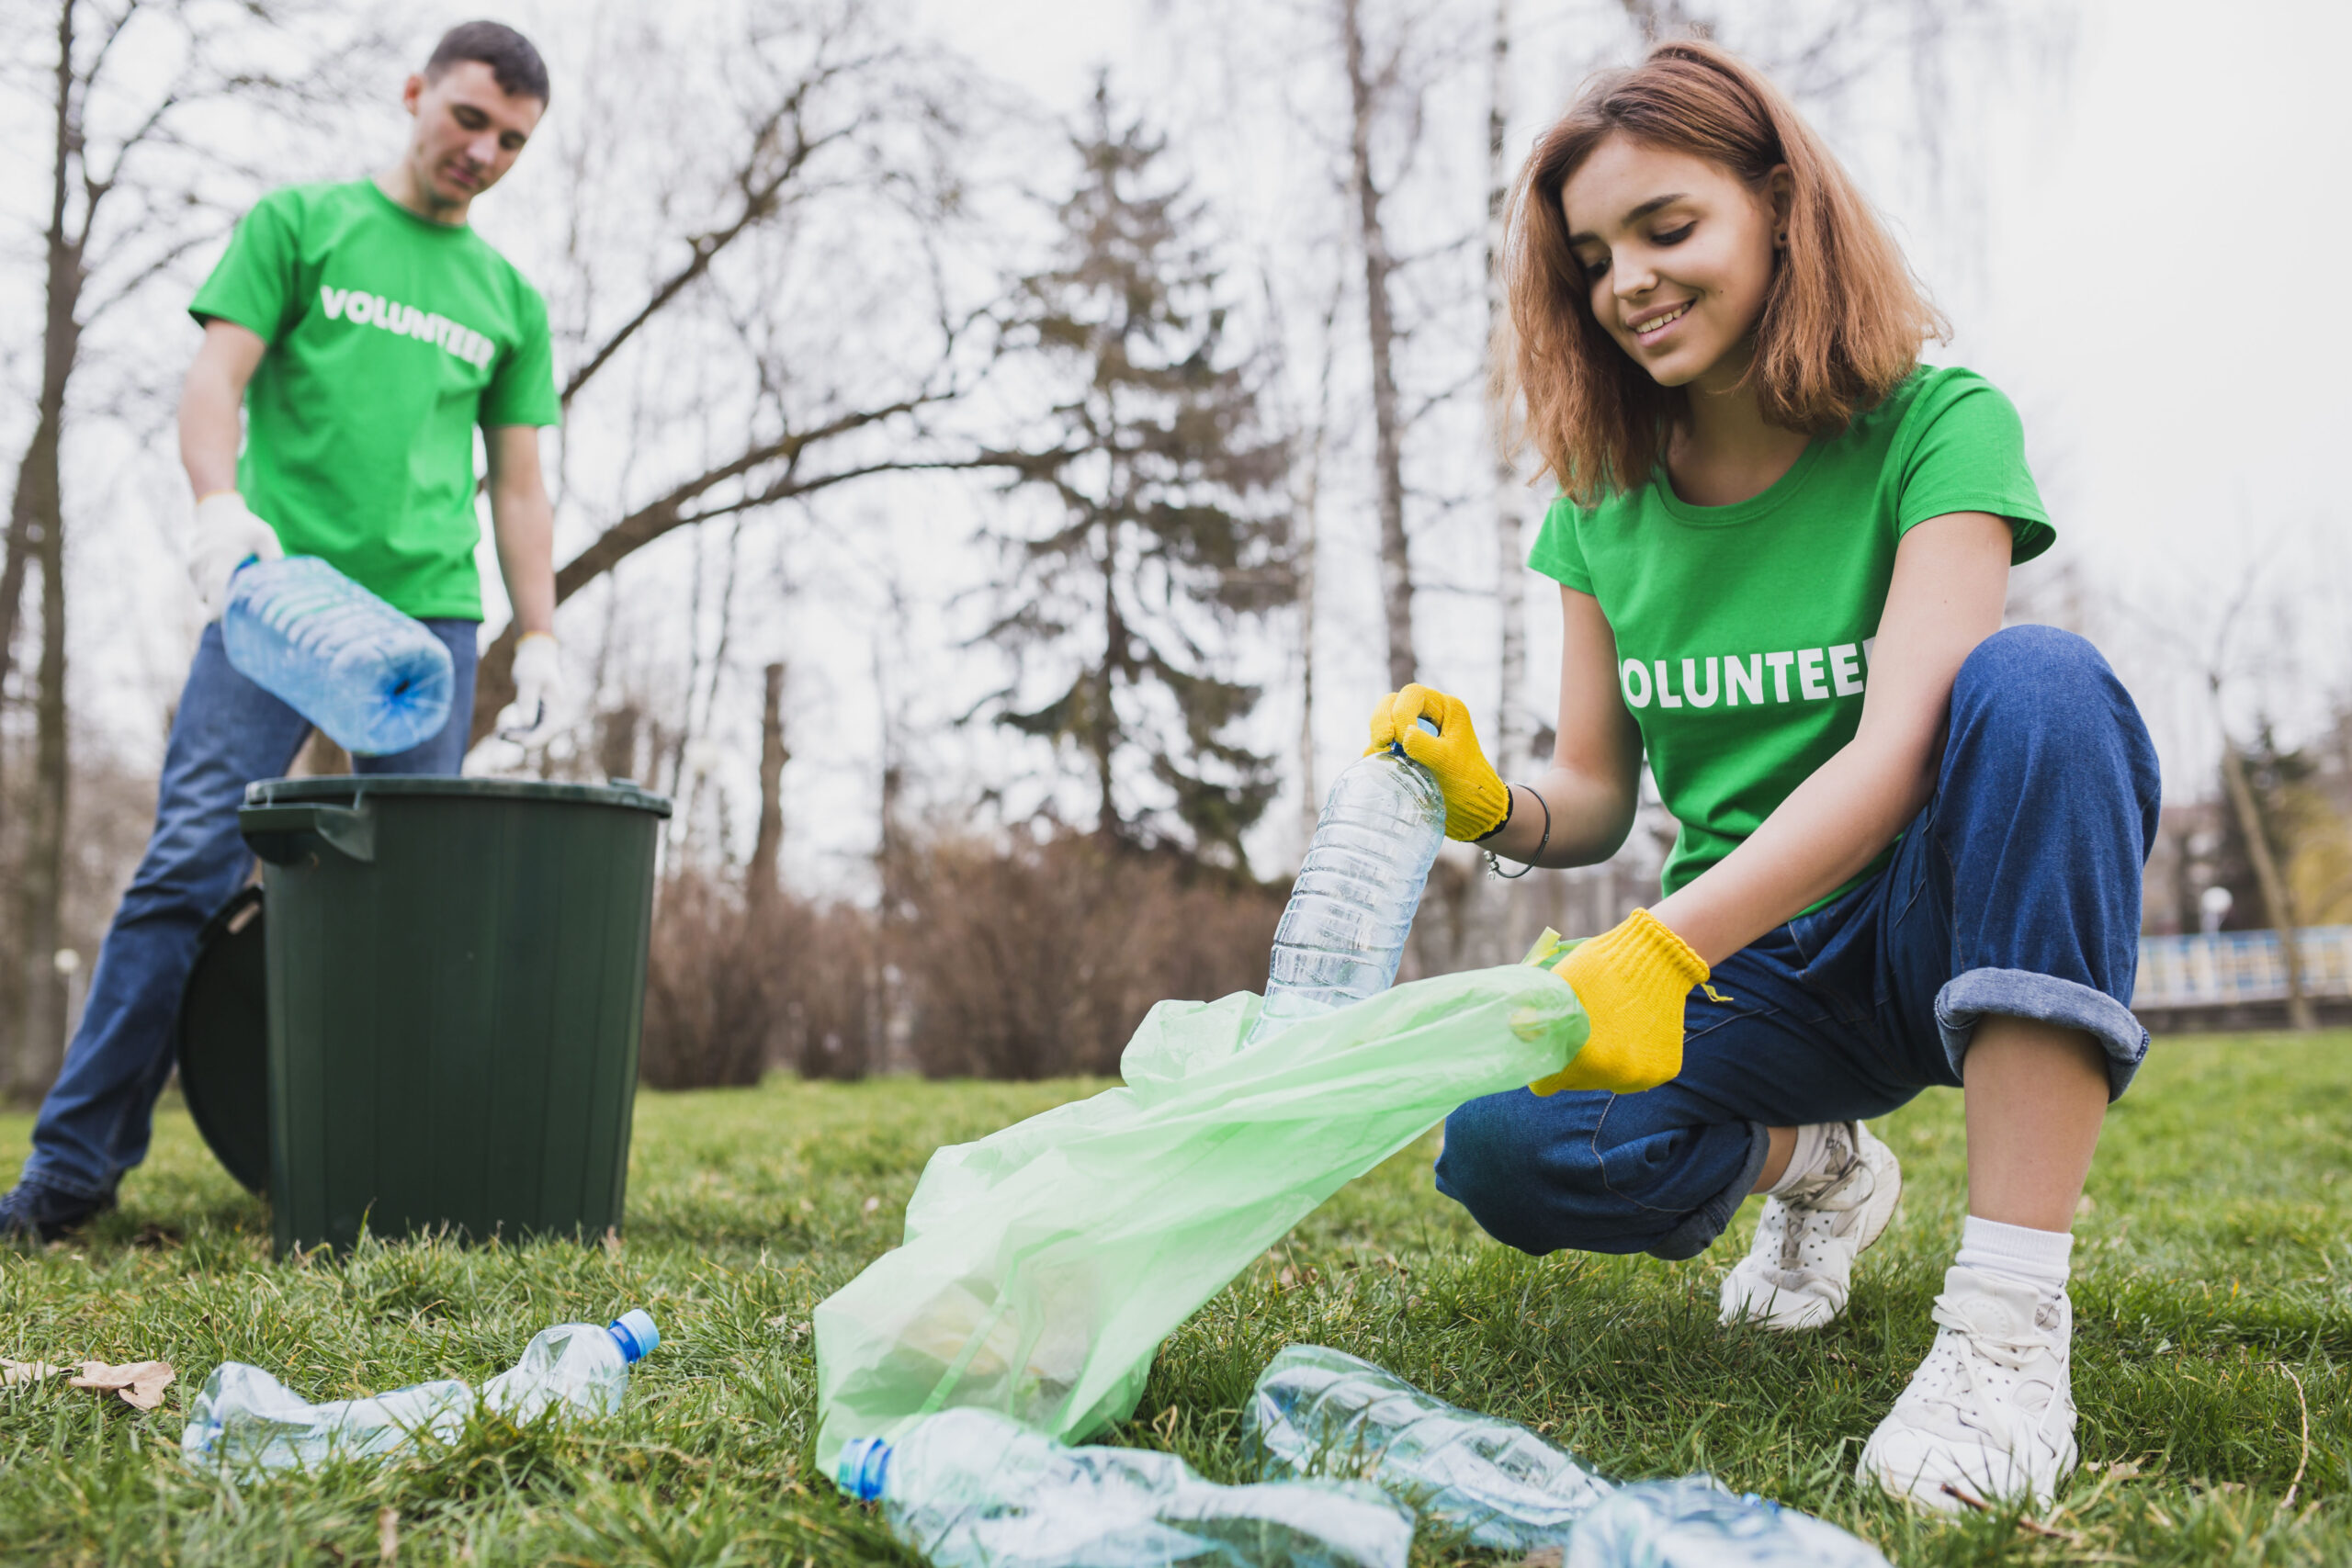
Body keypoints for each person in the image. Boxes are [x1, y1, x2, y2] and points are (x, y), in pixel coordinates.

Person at [1369, 41, 2157, 1511]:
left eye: (1669, 229)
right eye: (1594, 257)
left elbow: (1904, 740)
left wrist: (1665, 945)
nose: (1629, 284)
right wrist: (1497, 807)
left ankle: (2003, 1331)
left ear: (1784, 208)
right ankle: (1822, 1170)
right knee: (1507, 1149)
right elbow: (1597, 793)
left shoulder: (1938, 425)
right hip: (1759, 972)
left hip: (1930, 916)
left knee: (2045, 686)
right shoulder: (1598, 507)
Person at [1, 22, 568, 1241]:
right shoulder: (302, 225)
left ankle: (392, 1178)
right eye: (469, 119)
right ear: (416, 93)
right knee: (191, 866)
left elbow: (519, 485)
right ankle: (71, 1175)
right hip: (280, 602)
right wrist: (218, 511)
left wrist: (545, 634)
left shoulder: (508, 297)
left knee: (411, 903)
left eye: (512, 140)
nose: (485, 151)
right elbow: (214, 378)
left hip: (427, 625)